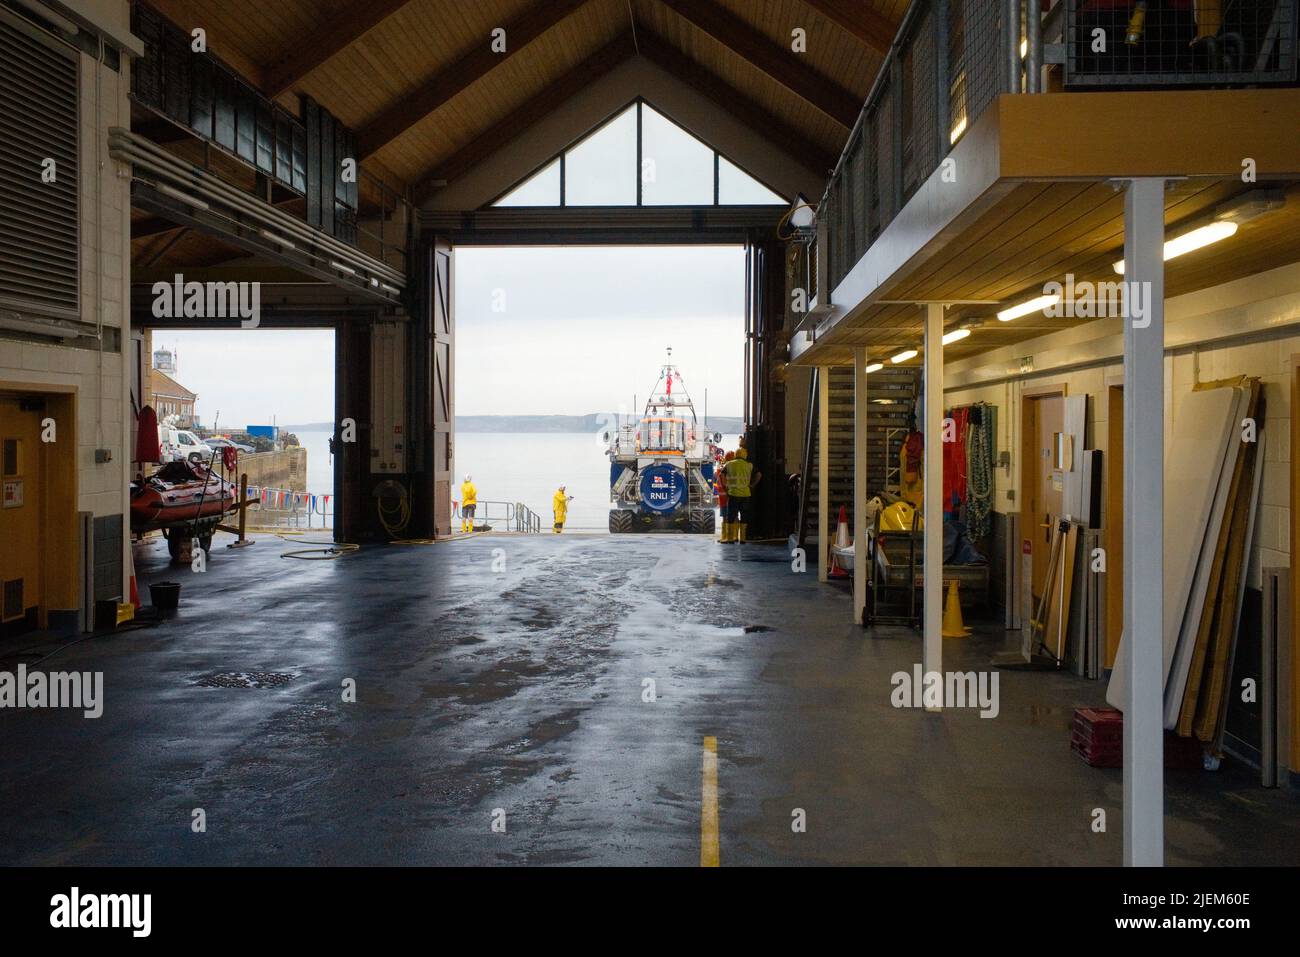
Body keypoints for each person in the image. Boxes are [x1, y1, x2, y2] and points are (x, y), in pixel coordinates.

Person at [722, 447, 761, 544]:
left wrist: (725, 486)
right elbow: (759, 475)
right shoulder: (749, 465)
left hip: (733, 494)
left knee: (731, 516)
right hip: (745, 494)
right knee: (744, 516)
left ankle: (730, 539)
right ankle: (742, 539)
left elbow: (722, 475)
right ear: (745, 455)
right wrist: (752, 485)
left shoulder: (729, 464)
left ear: (736, 454)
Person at [715, 451, 733, 542]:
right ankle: (734, 536)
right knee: (734, 516)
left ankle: (725, 537)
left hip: (724, 498)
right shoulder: (733, 469)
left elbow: (719, 481)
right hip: (733, 496)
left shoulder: (722, 470)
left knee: (725, 517)